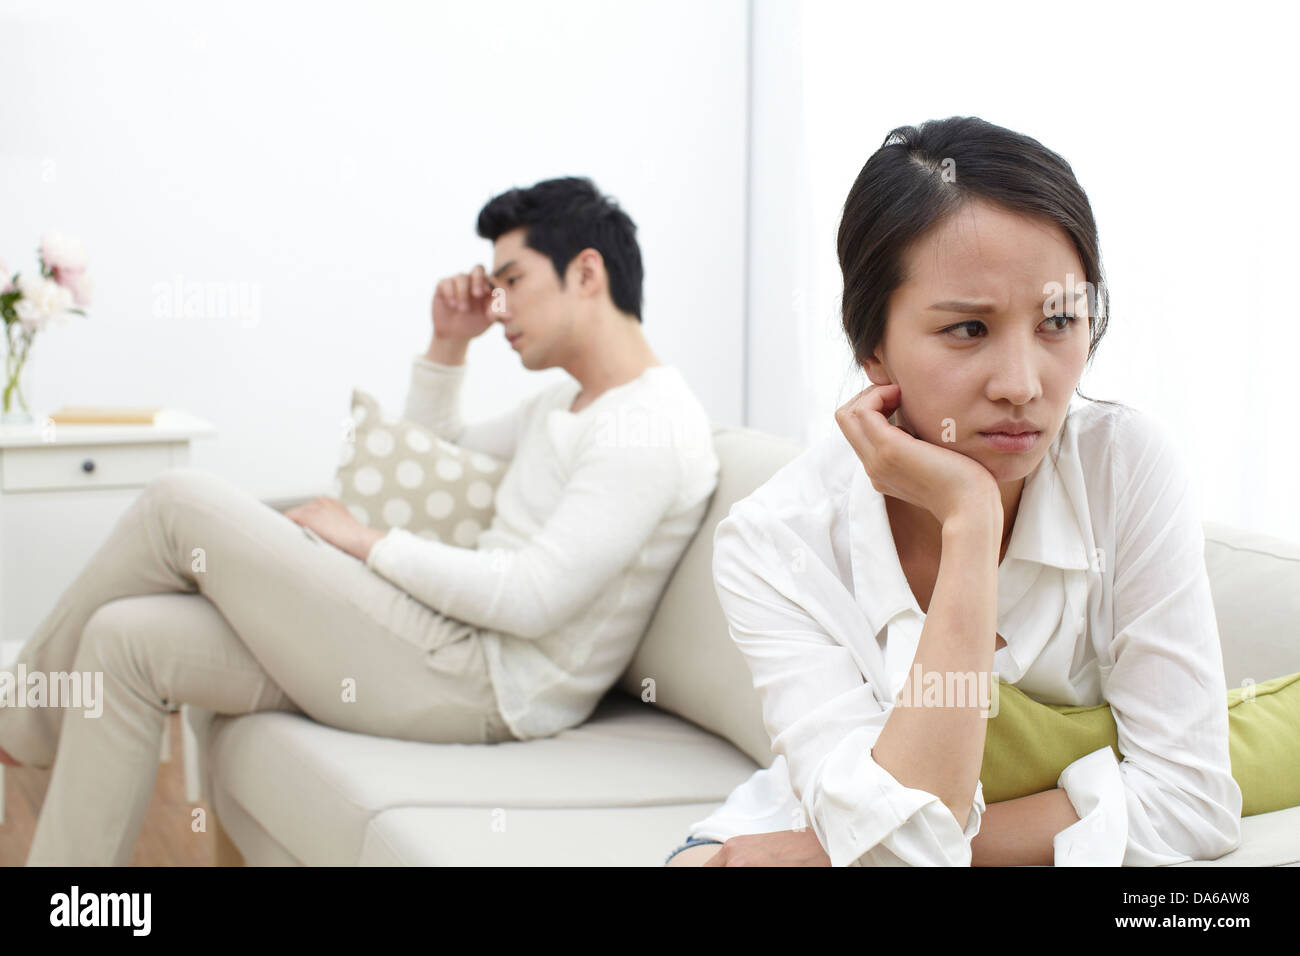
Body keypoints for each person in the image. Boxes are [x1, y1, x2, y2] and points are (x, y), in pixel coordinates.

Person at [0, 175, 719, 866]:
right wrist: (449, 341)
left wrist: (367, 543)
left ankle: (15, 721)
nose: (498, 306)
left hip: (485, 682)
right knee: (124, 639)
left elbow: (533, 600)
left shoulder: (649, 427)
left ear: (586, 272)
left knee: (176, 501)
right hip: (436, 644)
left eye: (512, 281)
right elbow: (438, 453)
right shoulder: (569, 404)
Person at [665, 117, 1242, 867]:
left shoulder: (1123, 466)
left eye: (1058, 321)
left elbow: (1194, 806)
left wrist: (828, 854)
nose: (1023, 385)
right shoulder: (777, 538)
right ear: (872, 346)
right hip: (795, 821)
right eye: (969, 328)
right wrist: (970, 520)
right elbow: (897, 845)